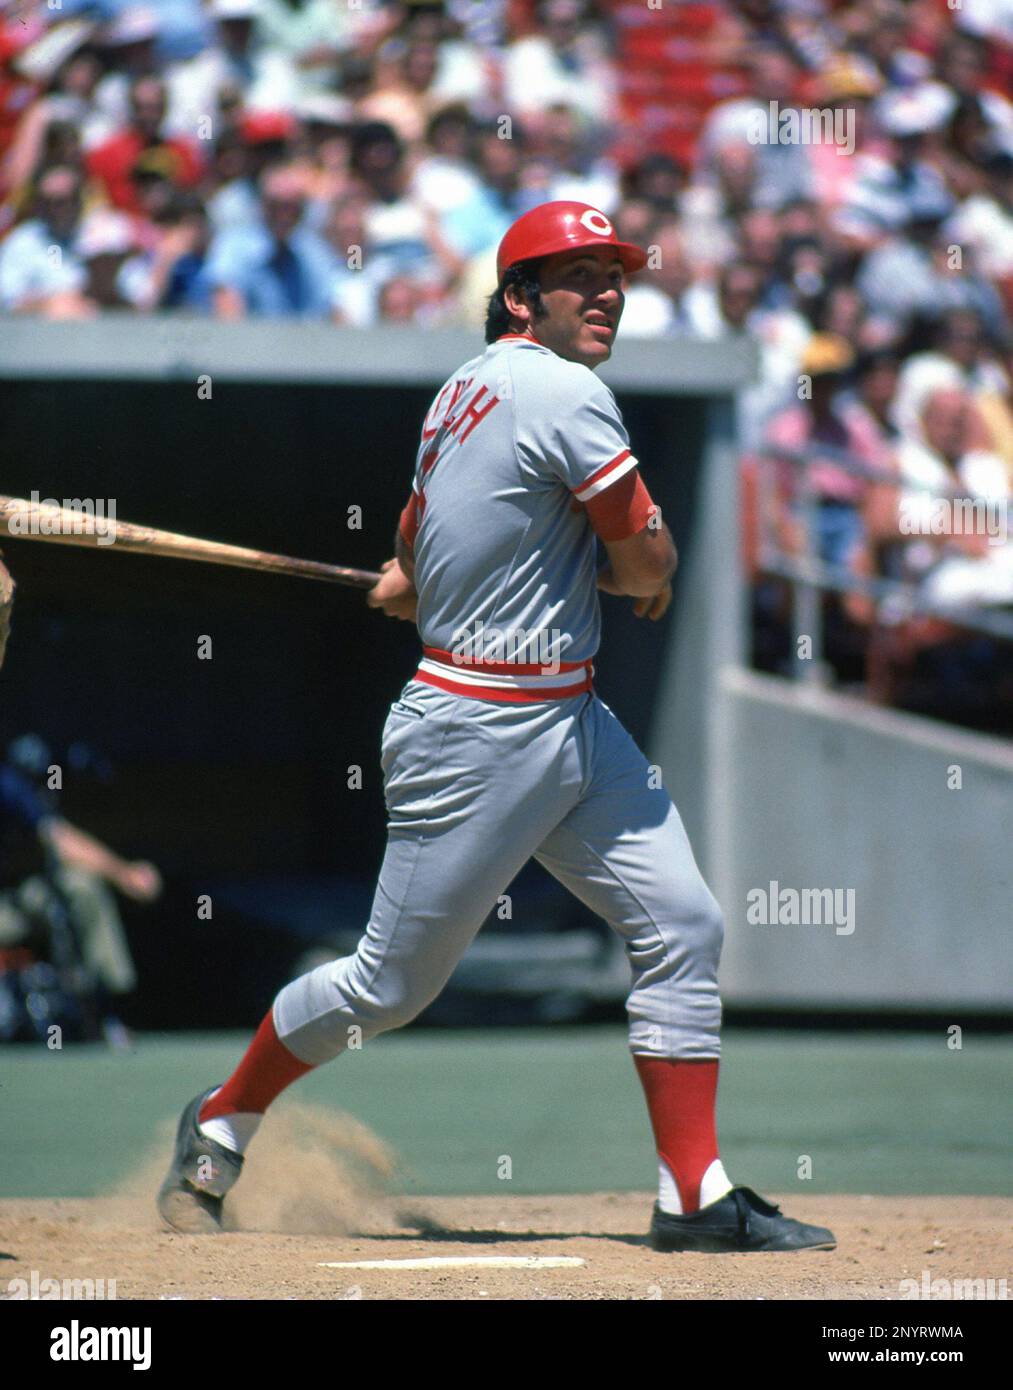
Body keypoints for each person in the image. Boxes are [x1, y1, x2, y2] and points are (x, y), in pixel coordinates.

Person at [156, 200, 836, 1255]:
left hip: (561, 714)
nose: (605, 291)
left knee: (682, 927)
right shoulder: (565, 390)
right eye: (577, 275)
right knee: (386, 986)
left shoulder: (460, 389)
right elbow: (647, 561)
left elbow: (418, 534)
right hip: (472, 728)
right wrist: (631, 578)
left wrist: (414, 580)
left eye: (614, 274)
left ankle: (693, 1194)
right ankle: (218, 1118)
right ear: (520, 296)